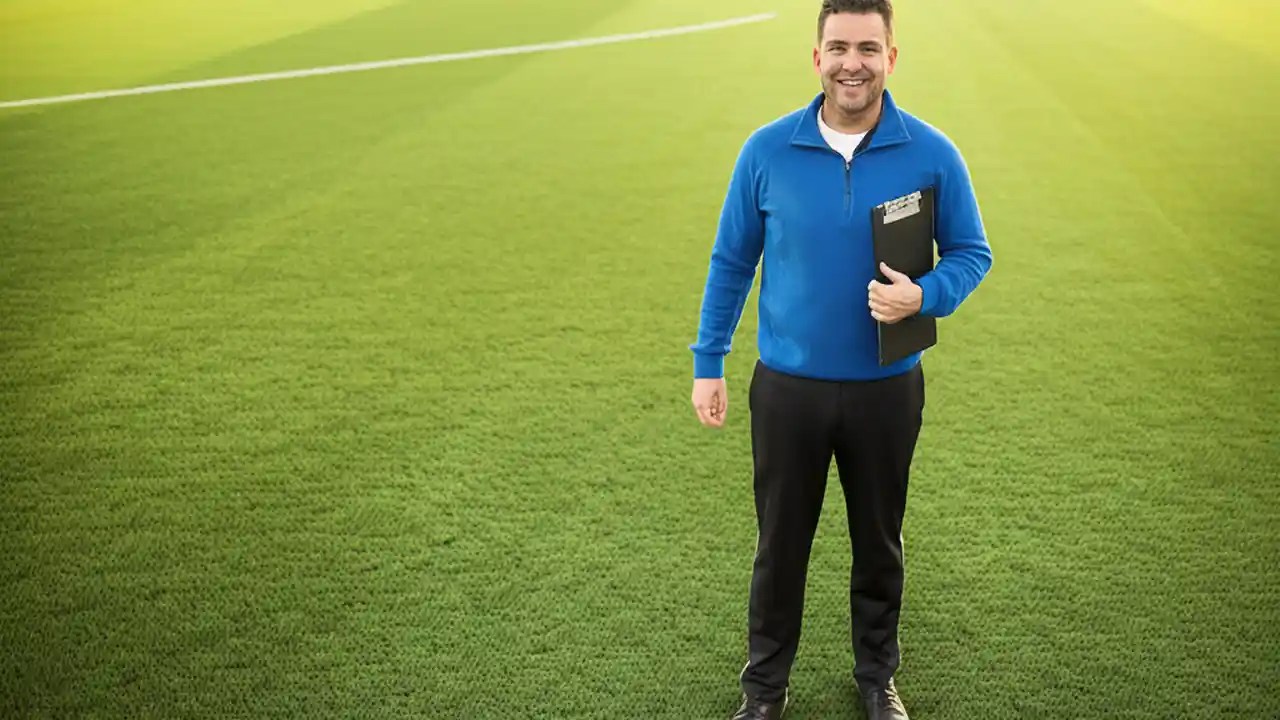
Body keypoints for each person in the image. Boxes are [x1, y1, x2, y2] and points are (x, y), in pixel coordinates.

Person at [687, 1, 993, 718]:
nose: (851, 61)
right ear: (816, 57)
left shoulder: (932, 152)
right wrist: (709, 361)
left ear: (892, 57)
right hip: (787, 388)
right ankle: (764, 690)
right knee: (779, 547)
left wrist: (924, 294)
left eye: (867, 47)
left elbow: (973, 253)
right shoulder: (765, 151)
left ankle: (875, 678)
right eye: (838, 47)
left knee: (879, 543)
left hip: (888, 388)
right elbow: (732, 261)